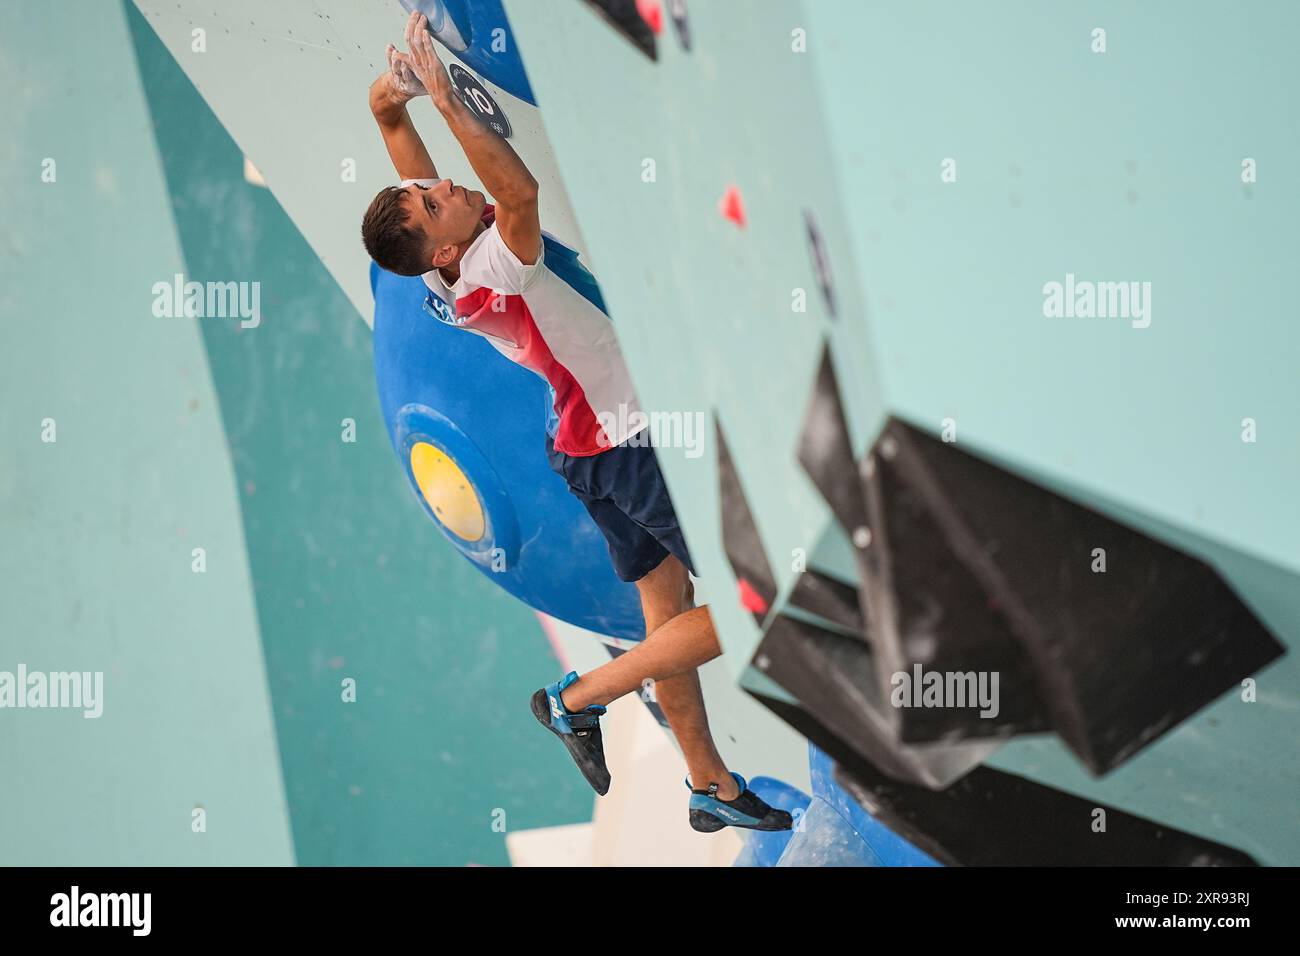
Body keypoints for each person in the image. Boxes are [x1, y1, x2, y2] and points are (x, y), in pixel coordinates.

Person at [361, 12, 790, 833]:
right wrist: (447, 97)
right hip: (626, 441)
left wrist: (396, 98)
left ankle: (708, 783)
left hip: (586, 446)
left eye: (429, 185)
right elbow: (517, 192)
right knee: (751, 608)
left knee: (669, 613)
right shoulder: (490, 265)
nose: (445, 185)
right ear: (443, 250)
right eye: (432, 198)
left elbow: (389, 127)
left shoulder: (446, 269)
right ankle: (576, 698)